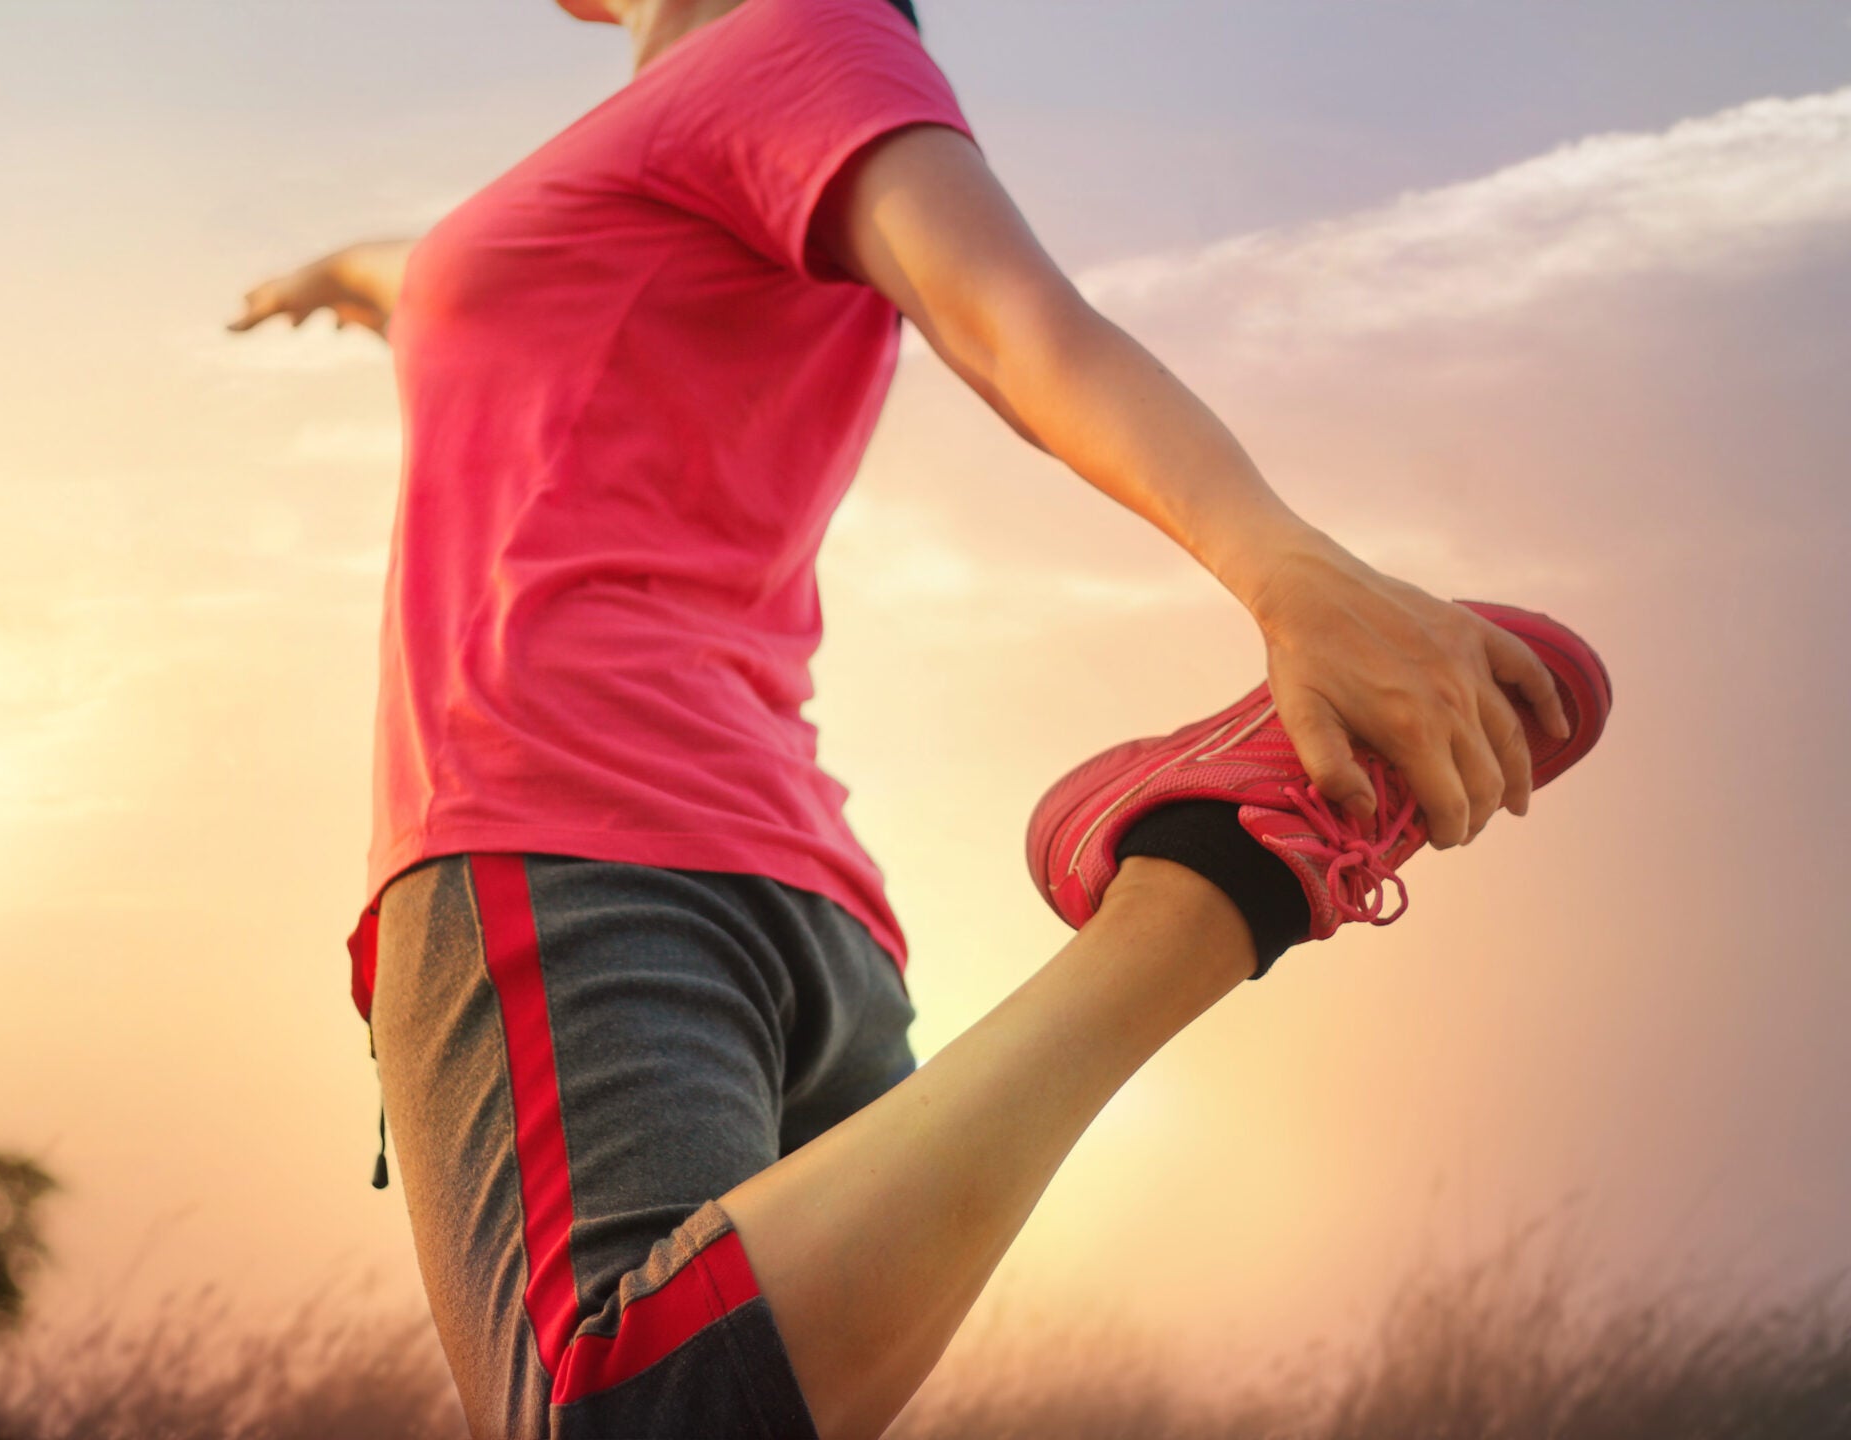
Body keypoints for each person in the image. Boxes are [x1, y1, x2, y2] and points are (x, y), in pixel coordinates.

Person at [227, 1, 1612, 1436]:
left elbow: (1010, 319)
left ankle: (1203, 884)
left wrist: (1289, 570)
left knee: (629, 1410)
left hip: (568, 838)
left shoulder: (793, 38)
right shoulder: (617, 167)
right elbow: (443, 273)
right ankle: (1198, 876)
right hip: (796, 907)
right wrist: (339, 272)